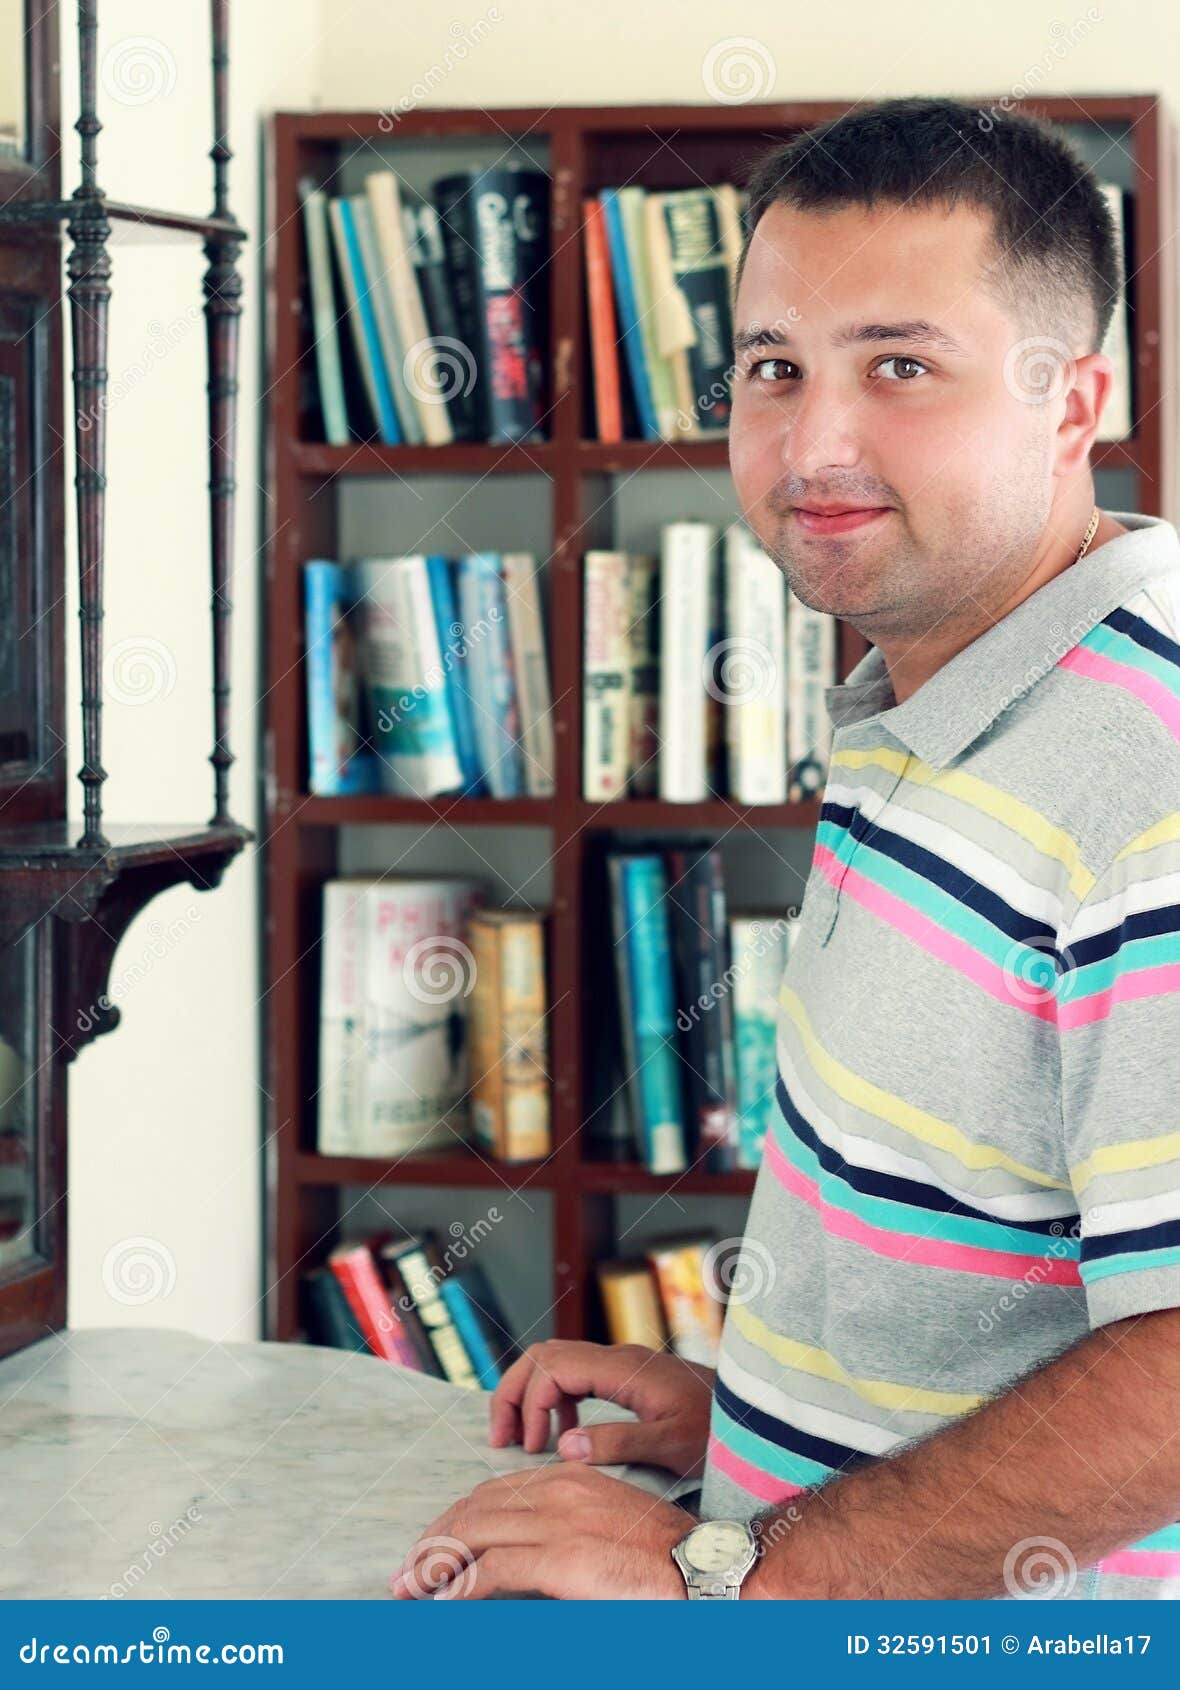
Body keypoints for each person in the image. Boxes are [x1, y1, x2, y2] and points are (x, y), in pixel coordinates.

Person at [393, 94, 1180, 1601]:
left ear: (1073, 402)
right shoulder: (939, 678)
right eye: (773, 368)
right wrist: (761, 1415)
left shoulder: (1149, 776)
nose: (815, 442)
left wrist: (734, 1560)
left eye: (901, 366)